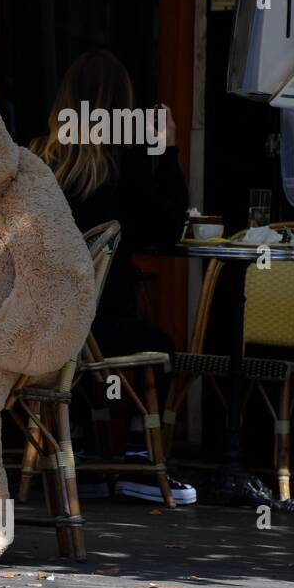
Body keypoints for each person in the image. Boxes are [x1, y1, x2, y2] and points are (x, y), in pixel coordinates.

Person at [31, 50, 190, 491]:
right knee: (159, 345)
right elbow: (166, 229)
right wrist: (168, 149)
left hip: (39, 323)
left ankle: (74, 445)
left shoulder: (39, 161)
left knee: (86, 348)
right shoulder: (122, 167)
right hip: (96, 329)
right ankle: (140, 458)